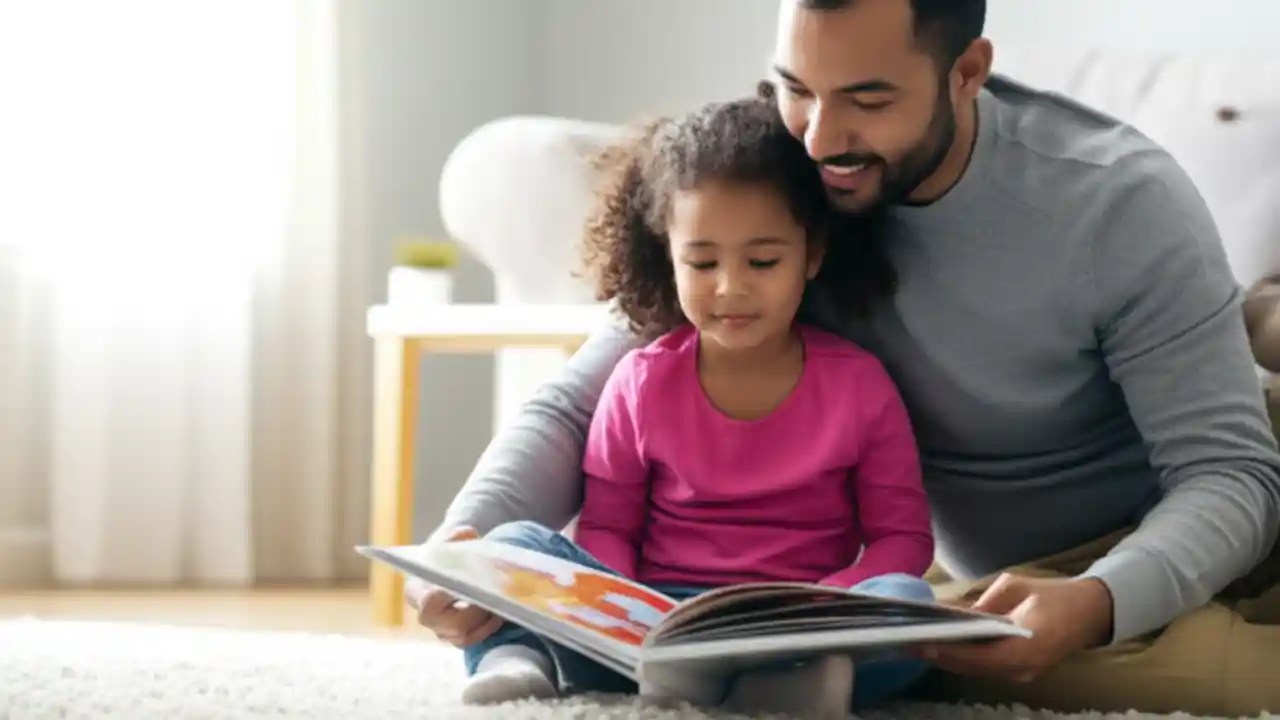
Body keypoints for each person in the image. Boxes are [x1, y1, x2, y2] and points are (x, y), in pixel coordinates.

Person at [412, 0, 1280, 714]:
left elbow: (1232, 474)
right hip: (984, 567)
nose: (821, 137)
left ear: (968, 72)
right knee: (922, 645)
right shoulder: (786, 184)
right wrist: (468, 541)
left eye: (868, 100)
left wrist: (1101, 601)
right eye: (797, 88)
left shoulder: (1115, 204)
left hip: (1169, 516)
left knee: (1185, 677)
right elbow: (582, 401)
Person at [455, 97, 937, 719]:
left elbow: (900, 539)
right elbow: (608, 526)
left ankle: (788, 684)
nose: (730, 288)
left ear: (812, 255)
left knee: (909, 600)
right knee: (513, 543)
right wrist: (619, 611)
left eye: (763, 261)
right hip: (655, 623)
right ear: (668, 257)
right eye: (702, 262)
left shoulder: (861, 387)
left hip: (798, 624)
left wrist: (825, 605)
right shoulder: (640, 380)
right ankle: (517, 660)